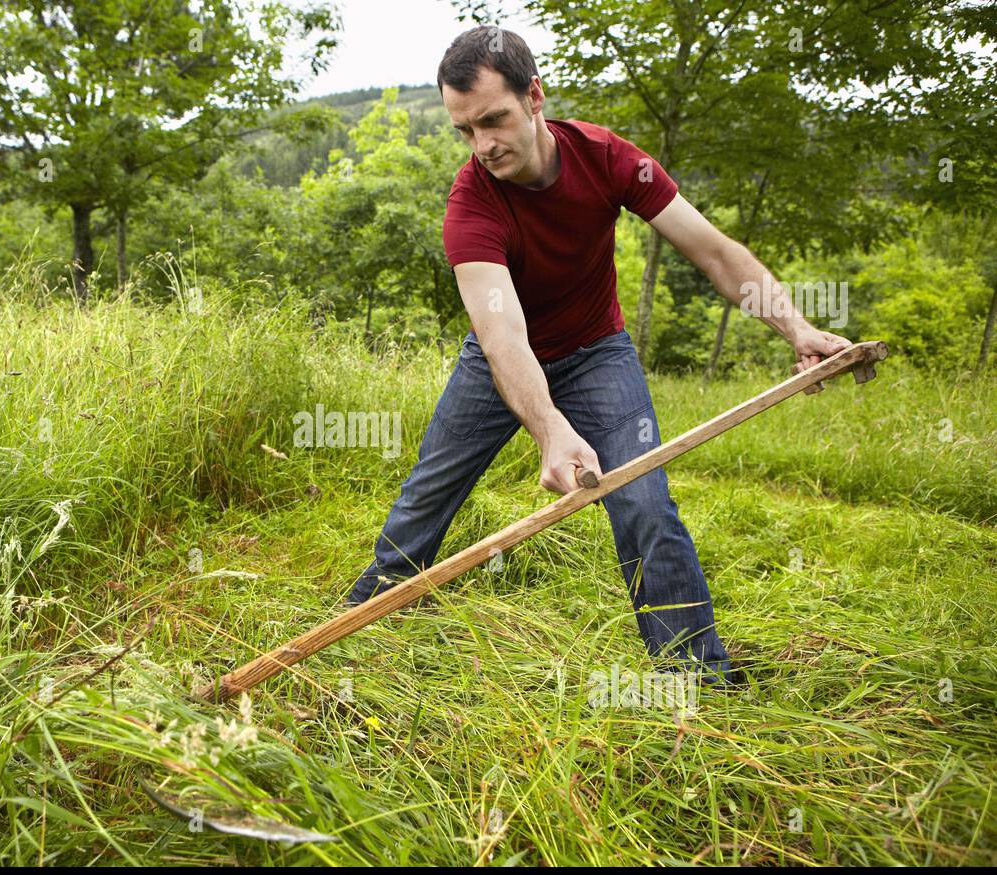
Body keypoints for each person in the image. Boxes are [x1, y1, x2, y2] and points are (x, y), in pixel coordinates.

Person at [344, 26, 852, 684]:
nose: (484, 146)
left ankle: (693, 681)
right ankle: (355, 636)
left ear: (535, 97)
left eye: (493, 120)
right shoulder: (470, 205)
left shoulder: (609, 159)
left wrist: (797, 328)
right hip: (500, 362)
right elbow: (502, 337)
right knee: (424, 500)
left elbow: (716, 254)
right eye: (465, 131)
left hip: (597, 353)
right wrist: (550, 427)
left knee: (644, 502)